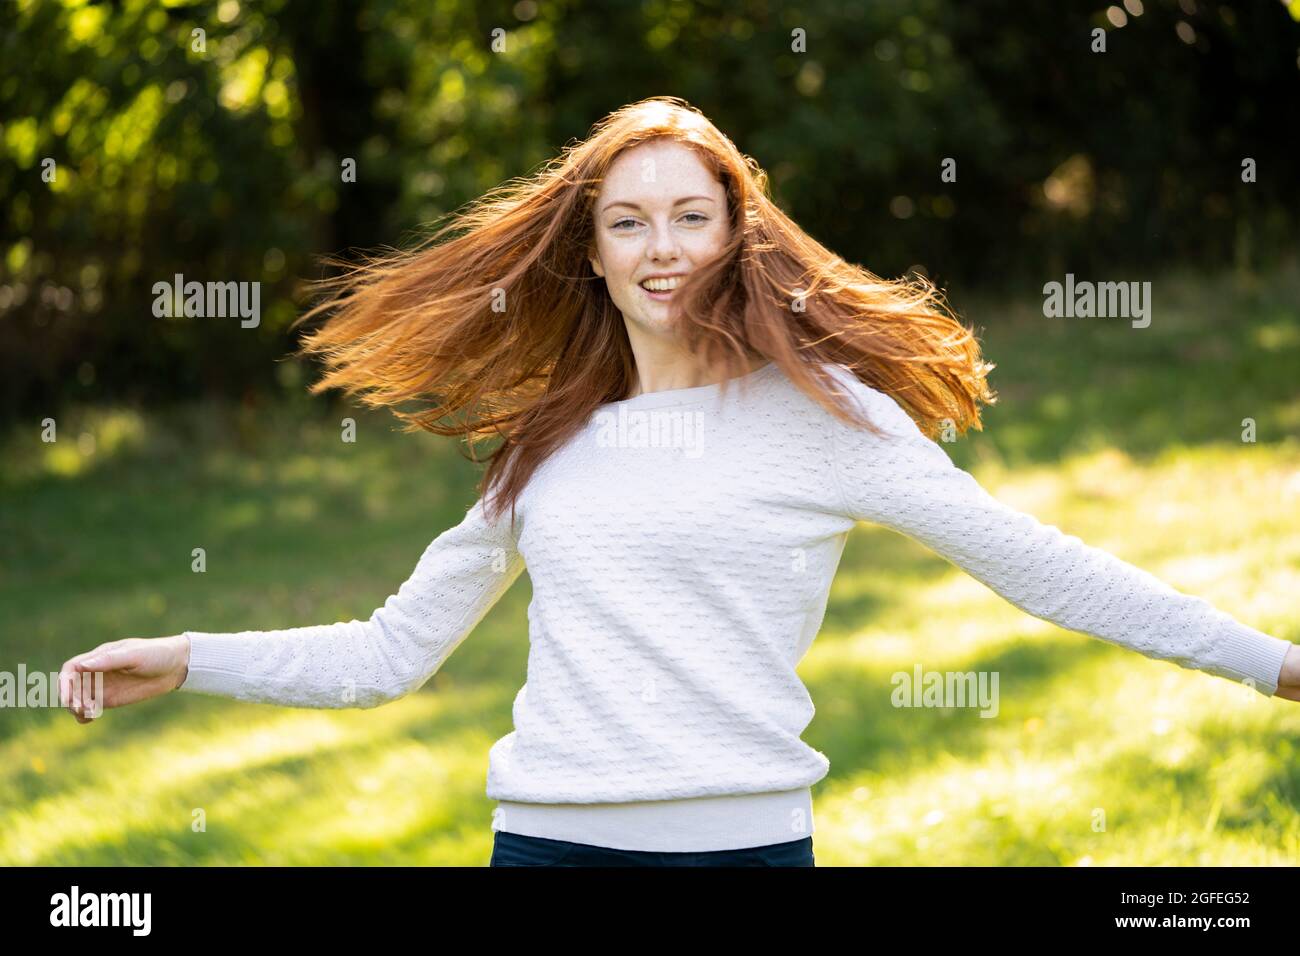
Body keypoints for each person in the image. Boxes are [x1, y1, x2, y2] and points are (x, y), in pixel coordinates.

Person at [59, 96, 1300, 868]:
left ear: (735, 231)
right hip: (547, 846)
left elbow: (1043, 566)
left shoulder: (824, 417)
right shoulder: (547, 444)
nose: (662, 249)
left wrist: (1274, 664)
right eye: (629, 222)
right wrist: (188, 655)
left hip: (747, 848)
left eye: (690, 217)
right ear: (590, 253)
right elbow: (390, 653)